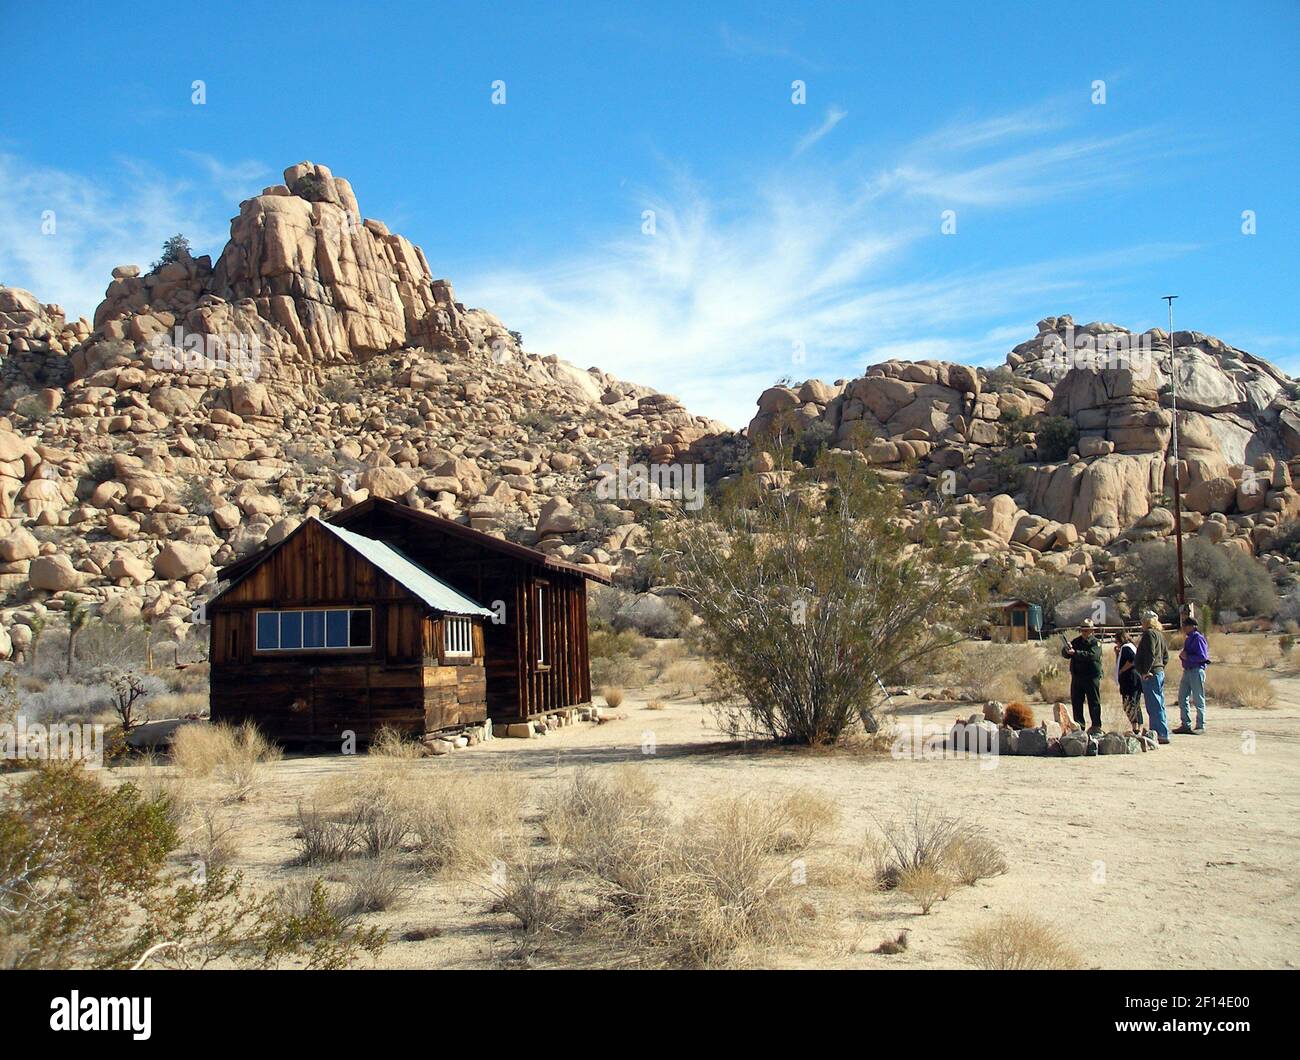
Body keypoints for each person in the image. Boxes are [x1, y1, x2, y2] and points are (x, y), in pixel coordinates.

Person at [1061, 618, 1104, 732]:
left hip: (1091, 677)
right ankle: (1079, 726)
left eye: (1086, 630)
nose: (1084, 633)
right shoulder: (1076, 641)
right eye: (1082, 630)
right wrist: (1067, 649)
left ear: (1092, 631)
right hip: (1077, 677)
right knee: (1077, 702)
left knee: (1094, 702)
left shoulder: (1096, 643)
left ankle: (1096, 726)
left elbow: (1092, 656)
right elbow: (1066, 654)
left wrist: (1076, 653)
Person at [1136, 610, 1170, 744]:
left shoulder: (1149, 634)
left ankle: (1160, 733)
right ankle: (1161, 731)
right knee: (1159, 703)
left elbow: (1150, 654)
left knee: (1154, 705)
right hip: (1159, 672)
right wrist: (1160, 667)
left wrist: (1145, 671)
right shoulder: (1160, 635)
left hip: (1151, 674)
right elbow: (1165, 656)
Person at [1174, 616, 1211, 734]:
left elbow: (1203, 657)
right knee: (1182, 697)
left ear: (1192, 626)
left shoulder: (1198, 639)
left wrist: (1188, 657)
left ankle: (1201, 725)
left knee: (1198, 698)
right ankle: (1185, 724)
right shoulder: (1188, 639)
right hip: (1187, 670)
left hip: (1196, 670)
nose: (1183, 628)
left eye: (1185, 625)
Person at [1114, 629, 1143, 733]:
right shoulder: (1130, 646)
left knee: (1130, 703)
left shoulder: (1126, 648)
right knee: (1135, 703)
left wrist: (1122, 670)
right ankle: (1138, 726)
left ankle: (1135, 727)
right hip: (1134, 679)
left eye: (1116, 641)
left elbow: (1132, 660)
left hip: (1130, 679)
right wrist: (1117, 654)